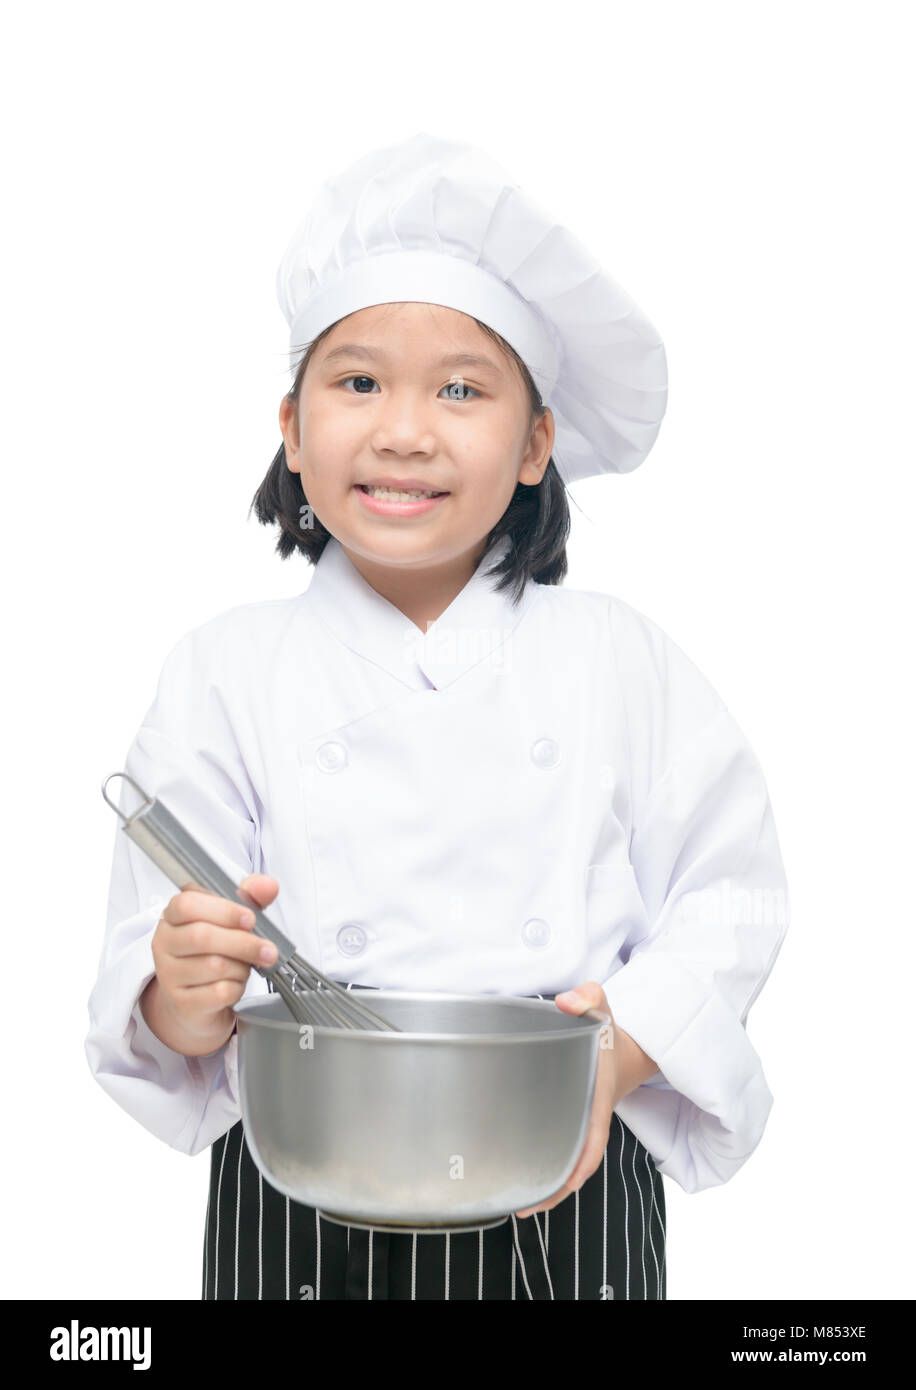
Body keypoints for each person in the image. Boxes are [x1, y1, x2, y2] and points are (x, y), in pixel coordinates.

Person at [86, 132, 789, 1301]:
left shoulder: (618, 658)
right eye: (358, 382)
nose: (405, 430)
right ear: (292, 425)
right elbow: (164, 983)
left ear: (536, 444)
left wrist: (615, 1055)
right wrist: (183, 987)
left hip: (566, 1168)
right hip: (301, 1187)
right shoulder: (224, 670)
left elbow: (734, 894)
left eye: (461, 388)